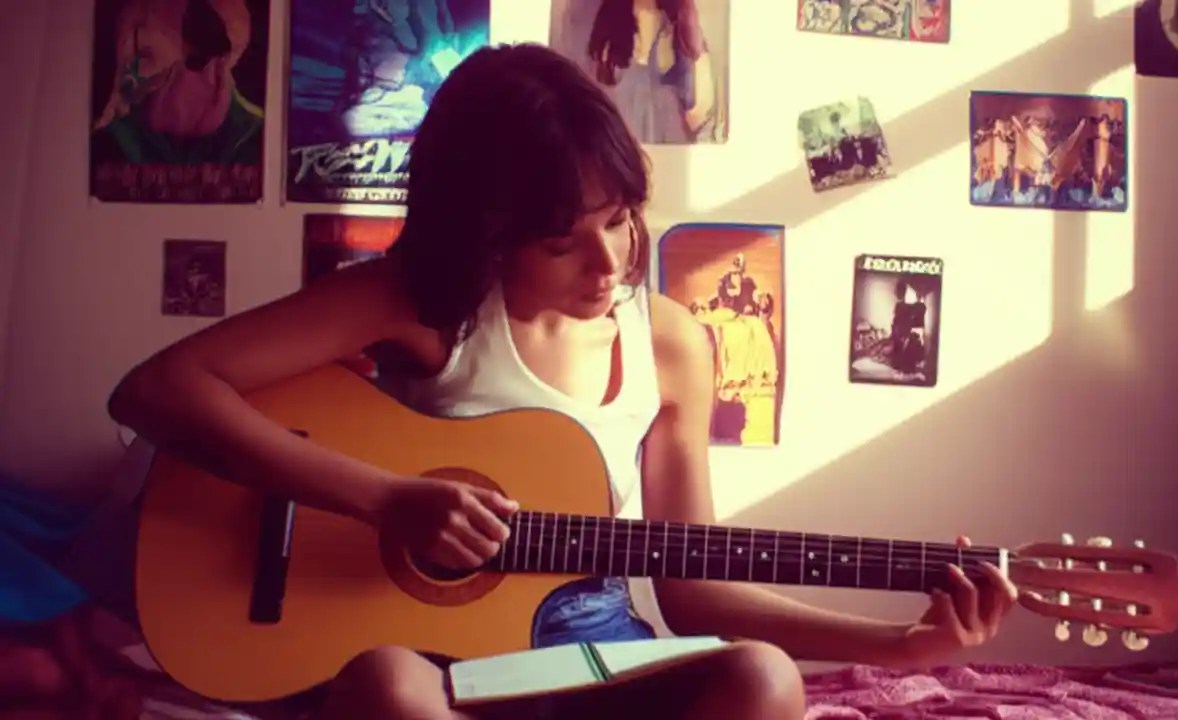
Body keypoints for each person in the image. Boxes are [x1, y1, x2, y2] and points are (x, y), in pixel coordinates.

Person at [107, 42, 1017, 720]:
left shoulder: (671, 345)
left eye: (620, 220)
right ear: (485, 235)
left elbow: (694, 586)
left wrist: (904, 643)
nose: (610, 263)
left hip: (588, 652)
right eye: (559, 241)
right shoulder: (424, 305)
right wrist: (387, 500)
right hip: (437, 667)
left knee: (765, 679)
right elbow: (158, 389)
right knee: (387, 687)